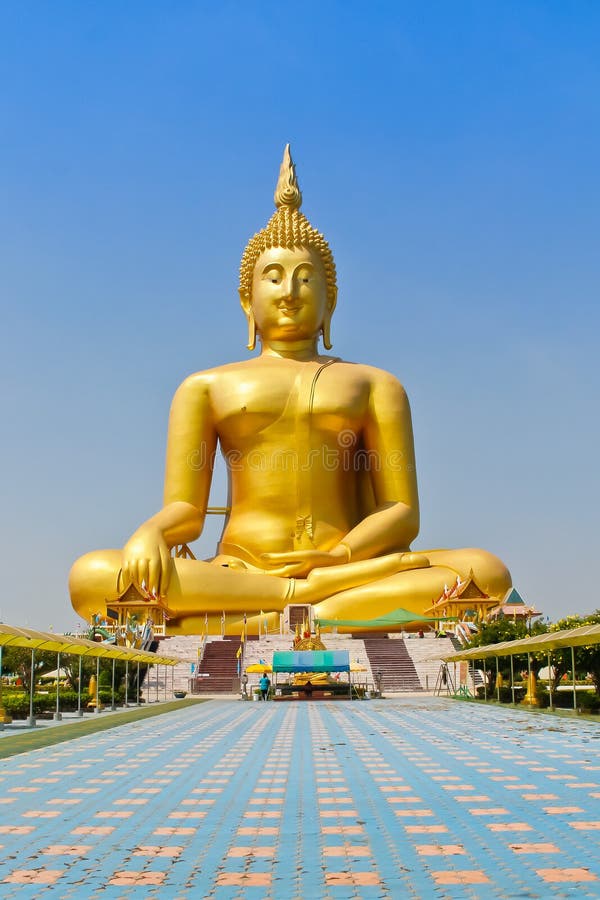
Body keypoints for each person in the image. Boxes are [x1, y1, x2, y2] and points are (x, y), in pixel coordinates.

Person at [69, 146, 511, 635]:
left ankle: (252, 619)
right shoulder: (205, 387)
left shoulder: (375, 385)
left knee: (486, 573)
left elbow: (402, 512)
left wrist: (338, 556)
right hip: (240, 571)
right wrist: (150, 532)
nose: (289, 292)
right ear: (247, 300)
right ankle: (298, 601)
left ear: (331, 301)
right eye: (273, 278)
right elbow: (187, 513)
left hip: (347, 568)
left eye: (306, 279)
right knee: (91, 576)